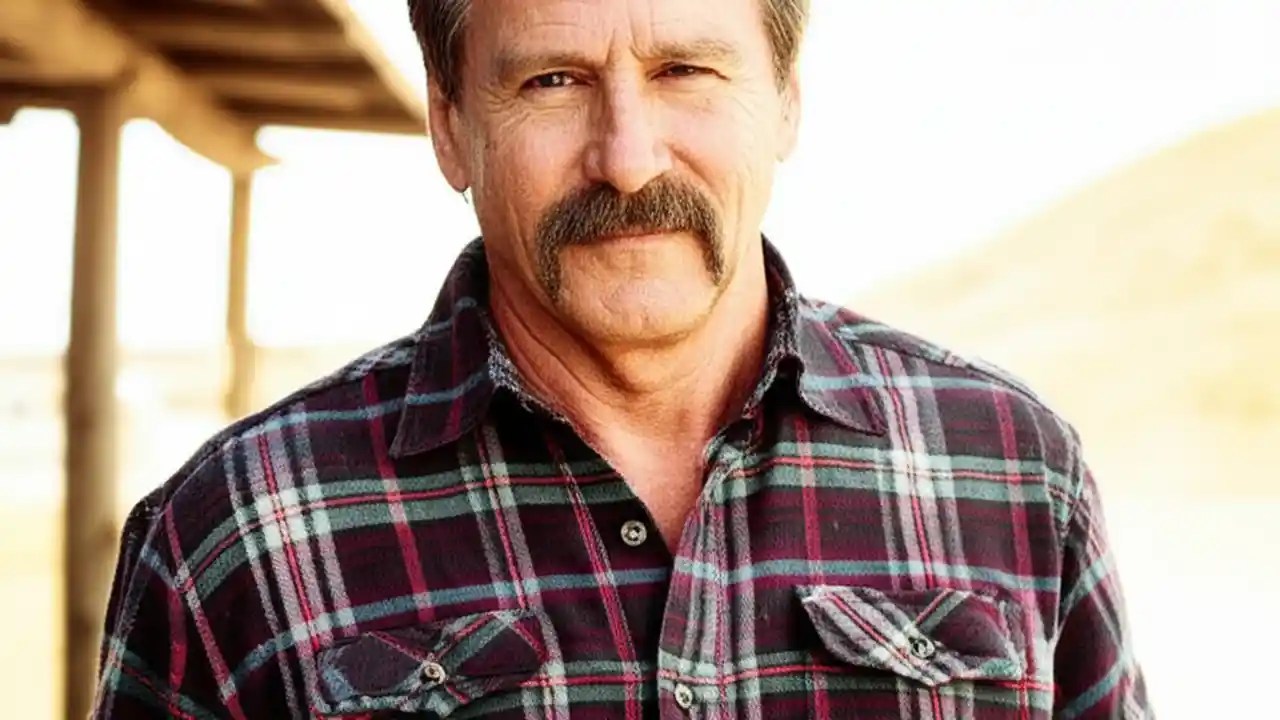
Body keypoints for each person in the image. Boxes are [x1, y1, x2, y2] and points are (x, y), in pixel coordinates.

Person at [92, 0, 1150, 717]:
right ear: (451, 123)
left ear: (784, 100)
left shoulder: (1010, 469)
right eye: (552, 80)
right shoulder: (232, 536)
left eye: (683, 70)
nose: (628, 158)